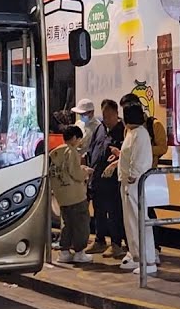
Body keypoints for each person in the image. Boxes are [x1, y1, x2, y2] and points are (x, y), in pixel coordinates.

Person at [118, 103, 158, 275]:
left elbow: (138, 159)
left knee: (139, 220)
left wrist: (132, 176)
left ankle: (148, 260)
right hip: (130, 183)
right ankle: (138, 257)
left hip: (135, 184)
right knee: (132, 221)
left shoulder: (139, 134)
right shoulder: (134, 133)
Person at [49, 125, 94, 264]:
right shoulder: (72, 152)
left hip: (61, 196)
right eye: (79, 139)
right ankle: (79, 252)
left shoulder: (55, 153)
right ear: (74, 138)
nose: (79, 142)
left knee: (66, 223)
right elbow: (76, 174)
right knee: (81, 223)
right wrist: (85, 171)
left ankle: (64, 252)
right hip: (75, 195)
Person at [87, 99, 126, 258]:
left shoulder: (122, 130)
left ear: (117, 114)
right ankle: (99, 240)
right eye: (104, 116)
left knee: (114, 212)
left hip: (113, 180)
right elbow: (92, 149)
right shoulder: (100, 129)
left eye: (109, 116)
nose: (107, 119)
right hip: (97, 178)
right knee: (99, 211)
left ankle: (116, 243)